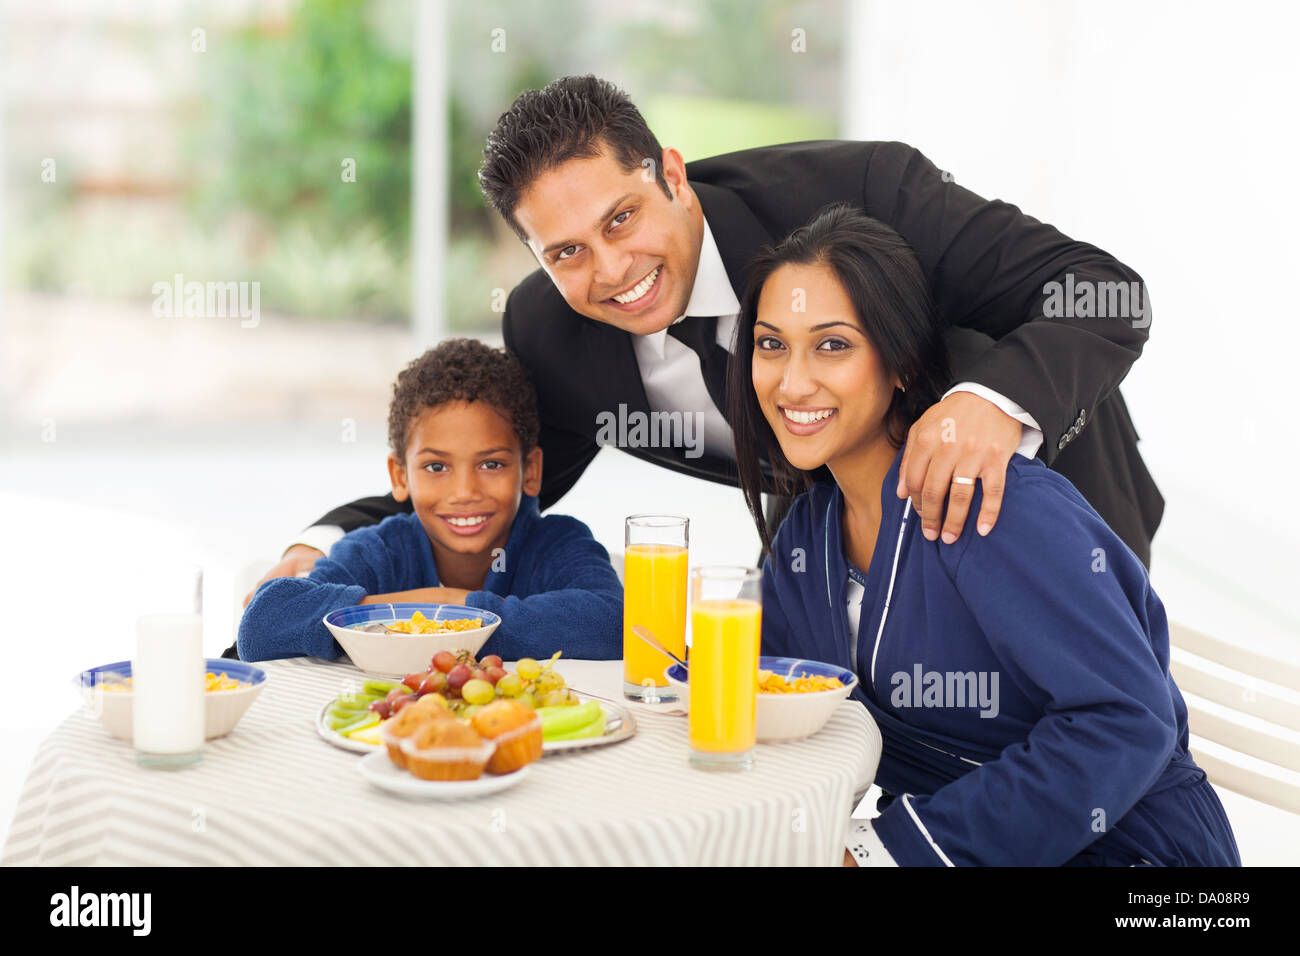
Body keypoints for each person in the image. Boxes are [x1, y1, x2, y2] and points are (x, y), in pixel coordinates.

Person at [250, 74, 1162, 600]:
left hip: (1057, 532)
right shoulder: (551, 331)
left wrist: (988, 404)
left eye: (622, 220)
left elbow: (1105, 293)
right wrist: (321, 546)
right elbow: (497, 484)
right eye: (566, 251)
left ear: (673, 175)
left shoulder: (867, 195)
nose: (610, 272)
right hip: (838, 578)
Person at [733, 204, 1238, 866]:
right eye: (772, 344)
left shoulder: (997, 509)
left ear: (904, 363)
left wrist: (892, 852)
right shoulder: (807, 538)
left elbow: (1125, 722)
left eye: (833, 344)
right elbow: (753, 688)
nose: (792, 382)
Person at [235, 339, 623, 663]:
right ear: (400, 476)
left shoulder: (558, 544)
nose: (465, 491)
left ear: (531, 470)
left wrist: (451, 610)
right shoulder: (378, 551)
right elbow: (264, 622)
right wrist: (439, 606)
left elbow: (612, 623)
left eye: (491, 463)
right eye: (437, 466)